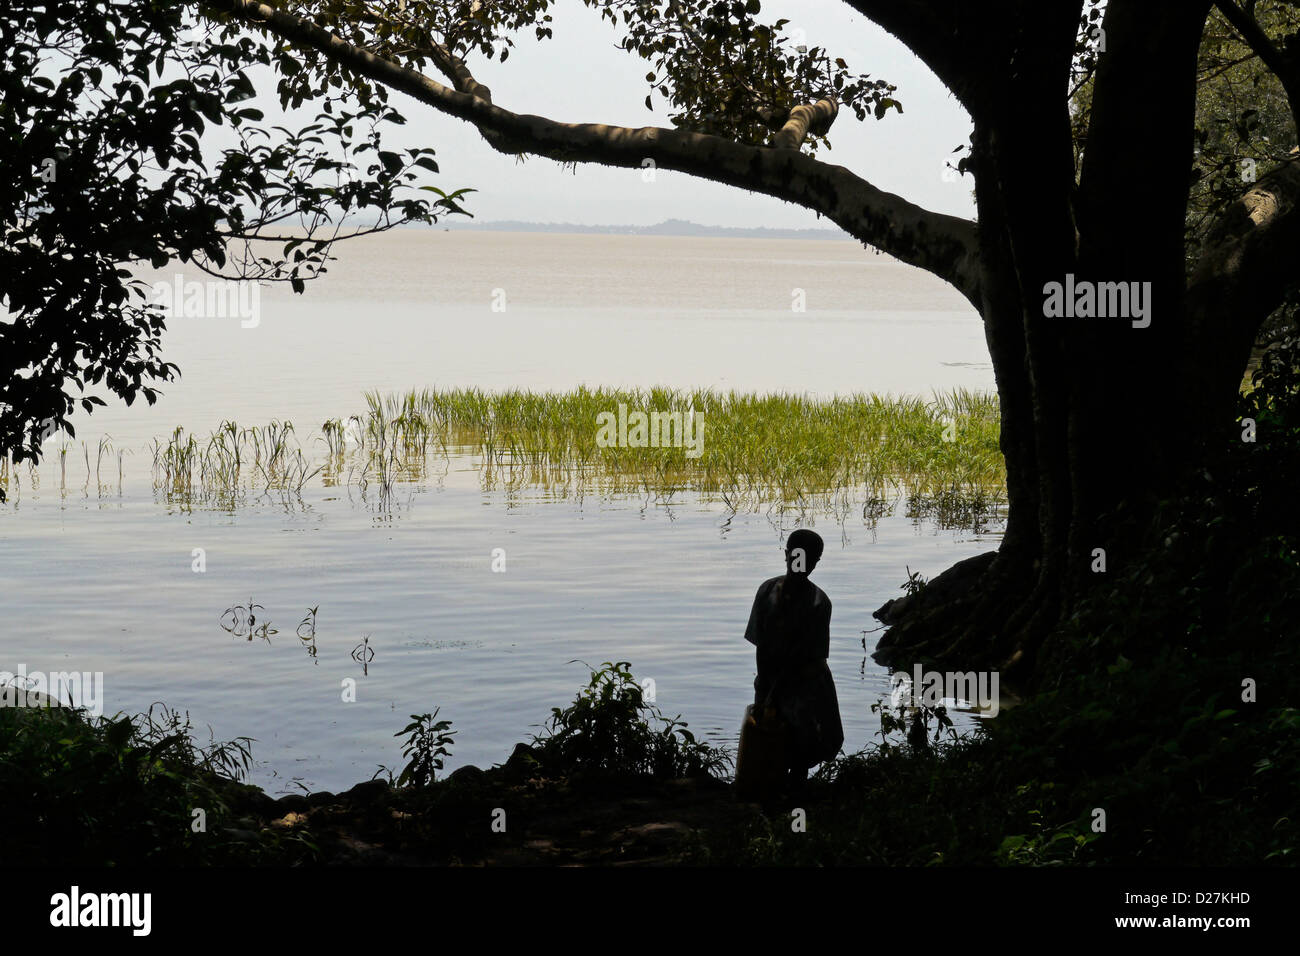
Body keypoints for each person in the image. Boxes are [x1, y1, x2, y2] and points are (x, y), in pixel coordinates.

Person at [742, 529, 844, 795]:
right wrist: (766, 687)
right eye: (797, 557)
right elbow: (761, 646)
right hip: (773, 678)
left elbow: (809, 658)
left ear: (815, 562)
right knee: (772, 738)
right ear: (787, 555)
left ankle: (794, 792)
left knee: (802, 743)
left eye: (808, 559)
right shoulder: (767, 591)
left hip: (806, 682)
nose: (801, 564)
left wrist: (773, 689)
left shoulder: (819, 603)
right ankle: (778, 792)